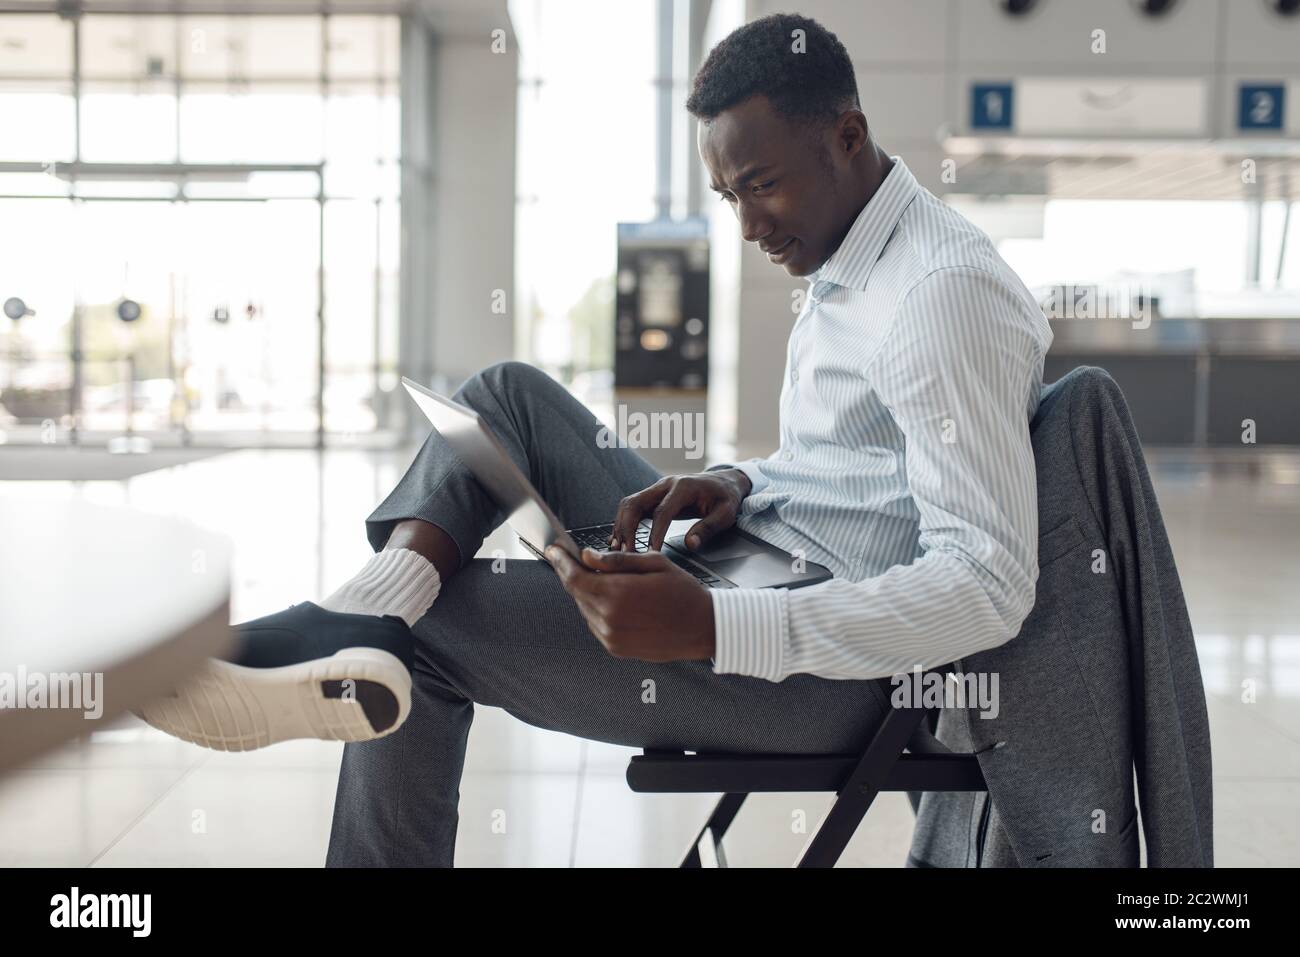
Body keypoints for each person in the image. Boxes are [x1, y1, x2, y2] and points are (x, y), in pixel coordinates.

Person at [137, 12, 1053, 867]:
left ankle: (375, 630)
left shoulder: (941, 296)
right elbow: (856, 470)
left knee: (434, 629)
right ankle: (363, 611)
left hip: (830, 675)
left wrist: (714, 620)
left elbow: (988, 583)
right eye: (729, 194)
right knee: (509, 396)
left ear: (847, 136)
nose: (747, 225)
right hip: (763, 556)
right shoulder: (855, 254)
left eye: (762, 186)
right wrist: (738, 480)